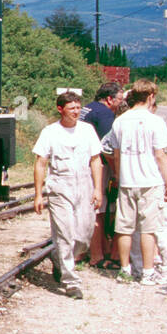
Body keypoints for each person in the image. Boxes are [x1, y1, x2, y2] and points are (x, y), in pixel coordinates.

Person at [33, 91, 103, 299]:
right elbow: (40, 163)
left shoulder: (87, 130)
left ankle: (58, 258)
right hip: (59, 186)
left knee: (83, 235)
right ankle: (71, 281)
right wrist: (38, 194)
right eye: (71, 108)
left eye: (78, 108)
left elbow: (95, 161)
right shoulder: (50, 132)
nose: (76, 112)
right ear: (60, 109)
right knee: (64, 234)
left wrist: (98, 189)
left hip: (84, 184)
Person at [105, 79, 167, 285]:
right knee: (148, 229)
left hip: (126, 181)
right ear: (151, 96)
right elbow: (160, 156)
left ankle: (125, 269)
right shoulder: (155, 121)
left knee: (124, 227)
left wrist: (117, 176)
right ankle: (147, 272)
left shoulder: (120, 121)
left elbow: (115, 155)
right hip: (150, 181)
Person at [80, 82, 122, 267]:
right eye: (119, 99)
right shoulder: (105, 114)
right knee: (99, 210)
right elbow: (108, 146)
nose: (120, 103)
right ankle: (97, 254)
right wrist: (116, 172)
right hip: (96, 165)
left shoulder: (87, 108)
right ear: (109, 99)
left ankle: (93, 250)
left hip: (82, 162)